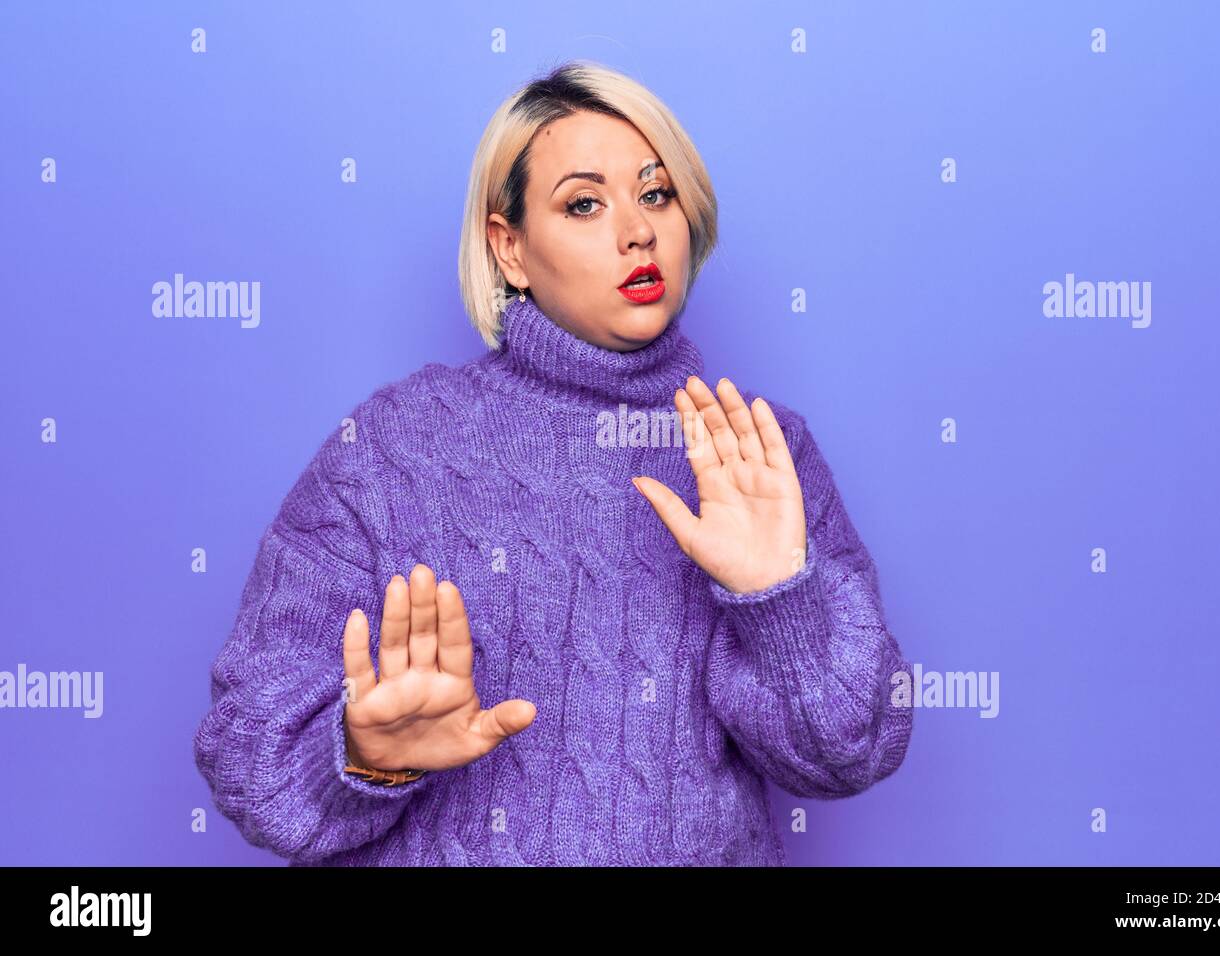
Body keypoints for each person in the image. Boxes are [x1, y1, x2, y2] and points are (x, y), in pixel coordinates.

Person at [193, 59, 912, 866]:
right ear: (510, 250)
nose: (636, 231)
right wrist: (367, 754)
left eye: (656, 193)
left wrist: (777, 604)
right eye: (583, 203)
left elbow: (853, 751)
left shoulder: (757, 451)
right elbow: (249, 757)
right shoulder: (393, 447)